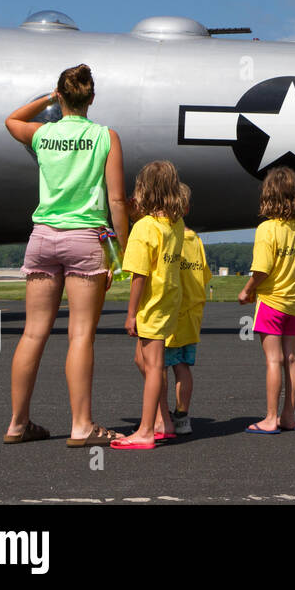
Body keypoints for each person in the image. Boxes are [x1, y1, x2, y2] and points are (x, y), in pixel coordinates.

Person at [3, 64, 128, 447]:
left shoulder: (43, 134)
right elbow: (117, 200)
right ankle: (81, 425)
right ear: (92, 97)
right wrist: (121, 253)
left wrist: (47, 98)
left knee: (33, 332)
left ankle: (17, 423)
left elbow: (11, 119)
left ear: (62, 96)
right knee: (79, 335)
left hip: (42, 237)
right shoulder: (106, 137)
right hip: (85, 239)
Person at [112, 161, 186, 450]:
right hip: (169, 299)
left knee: (153, 366)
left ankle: (145, 430)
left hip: (152, 303)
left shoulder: (144, 228)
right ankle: (164, 420)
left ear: (142, 190)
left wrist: (130, 314)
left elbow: (139, 275)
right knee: (142, 360)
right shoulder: (175, 223)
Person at [237, 167, 295, 434]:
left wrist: (247, 290)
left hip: (271, 301)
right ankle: (289, 416)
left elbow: (262, 269)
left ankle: (270, 417)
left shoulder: (267, 229)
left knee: (272, 360)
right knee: (291, 359)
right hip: (293, 302)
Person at [163, 183, 211, 436]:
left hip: (171, 315)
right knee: (182, 367)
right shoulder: (196, 241)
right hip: (192, 316)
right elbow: (203, 276)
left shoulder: (170, 237)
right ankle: (182, 416)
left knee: (157, 367)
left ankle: (160, 417)